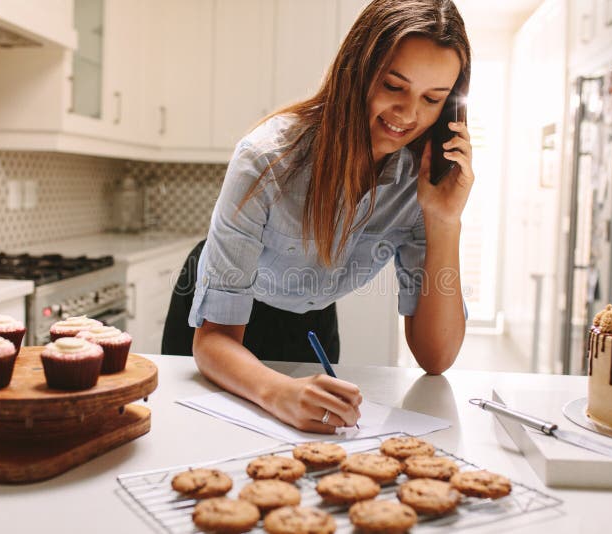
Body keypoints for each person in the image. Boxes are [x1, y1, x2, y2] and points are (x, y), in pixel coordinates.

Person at [184, 0, 473, 433]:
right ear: (356, 71)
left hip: (314, 322)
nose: (410, 114)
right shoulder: (265, 159)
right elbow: (213, 341)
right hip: (228, 326)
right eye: (394, 85)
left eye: (433, 99)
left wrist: (445, 220)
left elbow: (436, 357)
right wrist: (279, 392)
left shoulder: (420, 181)